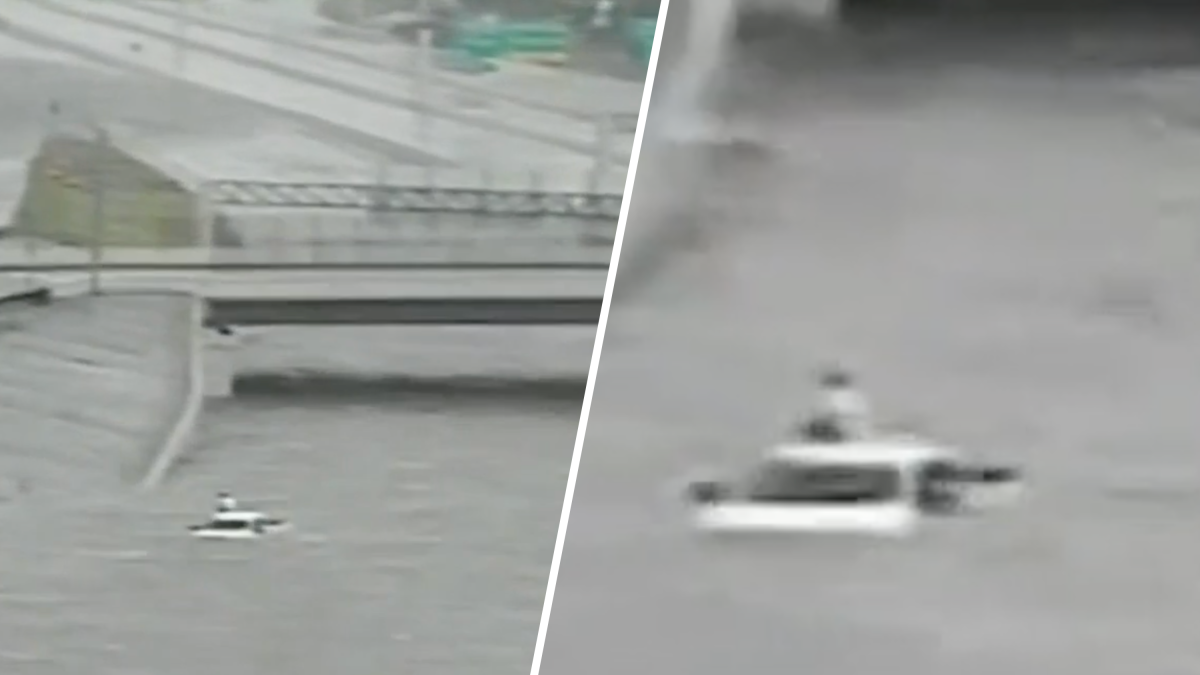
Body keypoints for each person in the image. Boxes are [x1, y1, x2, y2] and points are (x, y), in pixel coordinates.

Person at [804, 368, 873, 442]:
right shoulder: (855, 395)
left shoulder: (840, 395)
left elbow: (837, 414)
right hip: (849, 431)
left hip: (846, 431)